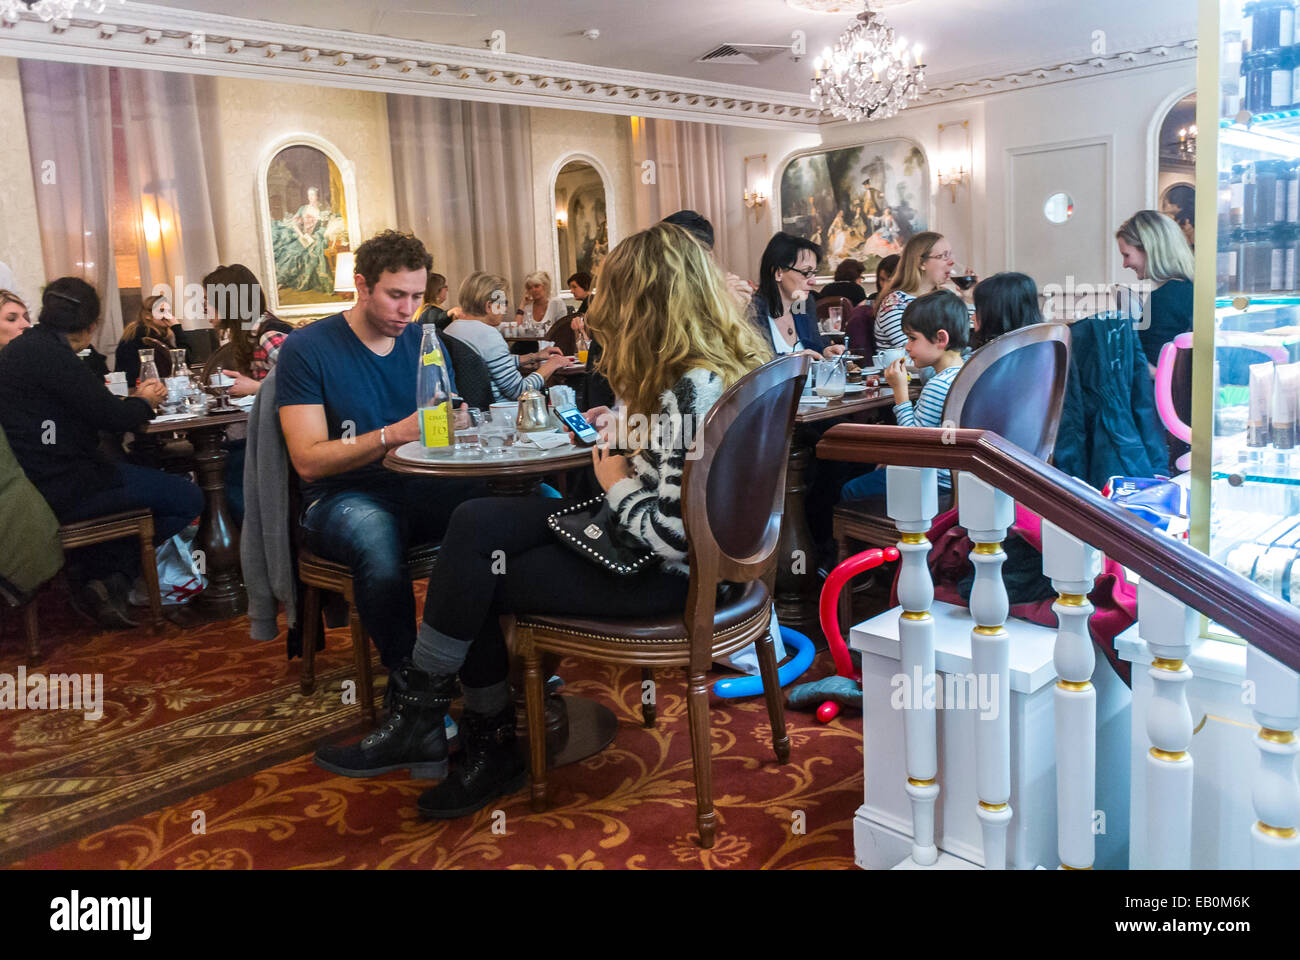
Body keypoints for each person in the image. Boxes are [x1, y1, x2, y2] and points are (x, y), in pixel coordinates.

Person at [318, 221, 771, 815]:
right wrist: (630, 436)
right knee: (478, 523)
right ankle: (426, 712)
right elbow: (684, 471)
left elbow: (670, 532)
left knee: (477, 570)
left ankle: (478, 738)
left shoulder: (687, 387)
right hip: (701, 560)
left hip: (669, 575)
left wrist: (614, 484)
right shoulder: (717, 366)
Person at [277, 230, 480, 685]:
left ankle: (491, 665)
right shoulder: (307, 349)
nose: (408, 310)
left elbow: (439, 427)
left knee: (514, 508)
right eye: (395, 295)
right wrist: (393, 434)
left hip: (419, 484)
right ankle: (413, 687)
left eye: (416, 296)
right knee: (376, 538)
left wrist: (458, 426)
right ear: (362, 285)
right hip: (340, 497)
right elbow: (308, 460)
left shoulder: (422, 341)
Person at [0, 277, 203, 628]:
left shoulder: (25, 350)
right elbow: (111, 416)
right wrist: (145, 401)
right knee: (187, 497)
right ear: (92, 325)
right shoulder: (50, 355)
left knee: (137, 470)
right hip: (65, 484)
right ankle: (111, 575)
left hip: (32, 480)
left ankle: (103, 576)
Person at [842, 291, 969, 501]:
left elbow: (913, 444)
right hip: (955, 478)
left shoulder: (938, 386)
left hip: (932, 482)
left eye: (912, 338)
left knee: (851, 490)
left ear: (941, 338)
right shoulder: (965, 375)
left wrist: (899, 391)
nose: (906, 347)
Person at [444, 272, 571, 402]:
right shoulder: (488, 335)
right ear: (489, 306)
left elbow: (487, 363)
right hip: (501, 414)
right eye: (503, 302)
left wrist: (533, 357)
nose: (506, 308)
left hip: (469, 410)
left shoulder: (450, 330)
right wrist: (552, 364)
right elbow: (520, 390)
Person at [1116, 210, 1194, 371]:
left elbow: (1155, 370)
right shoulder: (1190, 290)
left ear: (1149, 249)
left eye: (1126, 255)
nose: (1124, 264)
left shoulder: (1163, 299)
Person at [204, 263, 295, 398]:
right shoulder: (249, 335)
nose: (204, 308)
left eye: (207, 301)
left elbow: (306, 383)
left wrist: (256, 387)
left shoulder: (268, 336)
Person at [750, 232, 846, 359]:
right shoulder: (753, 311)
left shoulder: (804, 304)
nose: (813, 281)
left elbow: (813, 345)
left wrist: (825, 352)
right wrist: (795, 359)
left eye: (814, 273)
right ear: (778, 273)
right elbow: (754, 362)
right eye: (806, 272)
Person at [875, 232, 972, 351]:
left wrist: (968, 298)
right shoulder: (895, 304)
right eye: (944, 256)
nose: (951, 262)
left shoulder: (943, 297)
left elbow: (968, 335)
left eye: (951, 255)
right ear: (922, 263)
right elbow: (918, 352)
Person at [115, 294, 184, 386]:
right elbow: (181, 361)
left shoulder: (138, 331)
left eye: (169, 311)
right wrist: (177, 328)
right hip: (141, 389)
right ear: (148, 315)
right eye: (162, 311)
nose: (167, 316)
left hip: (132, 387)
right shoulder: (145, 336)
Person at [969, 272, 1043, 350]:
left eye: (977, 310)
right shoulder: (1040, 346)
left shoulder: (993, 355)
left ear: (995, 315)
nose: (972, 318)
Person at [1161, 184, 1196, 251]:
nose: (1164, 208)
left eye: (1166, 204)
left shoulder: (1187, 224)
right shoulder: (1175, 221)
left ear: (1179, 206)